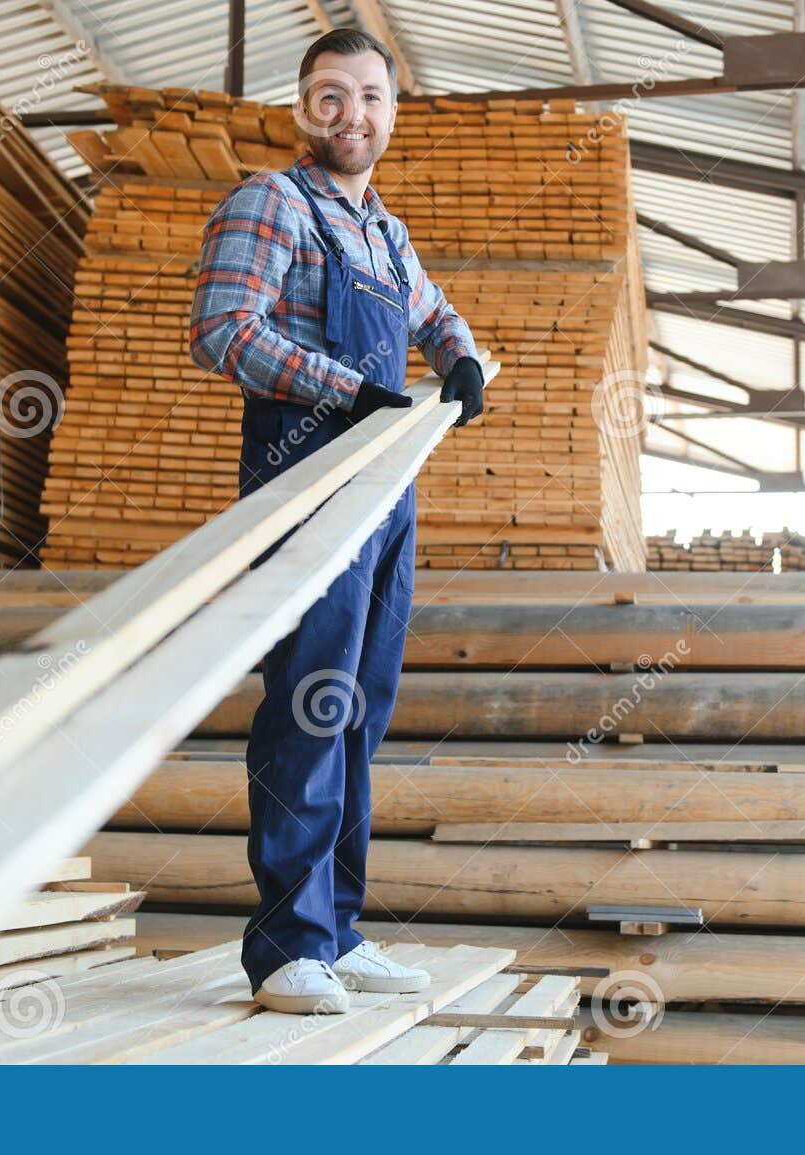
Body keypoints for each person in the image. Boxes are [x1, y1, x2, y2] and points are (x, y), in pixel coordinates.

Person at [188, 28, 486, 1015]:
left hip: (386, 483)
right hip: (308, 475)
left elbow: (432, 314)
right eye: (329, 95)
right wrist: (347, 391)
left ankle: (337, 931)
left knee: (359, 710)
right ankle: (284, 949)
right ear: (300, 109)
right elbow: (225, 331)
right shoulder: (271, 201)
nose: (350, 114)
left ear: (391, 114)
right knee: (307, 704)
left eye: (369, 96)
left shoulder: (386, 234)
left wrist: (460, 358)